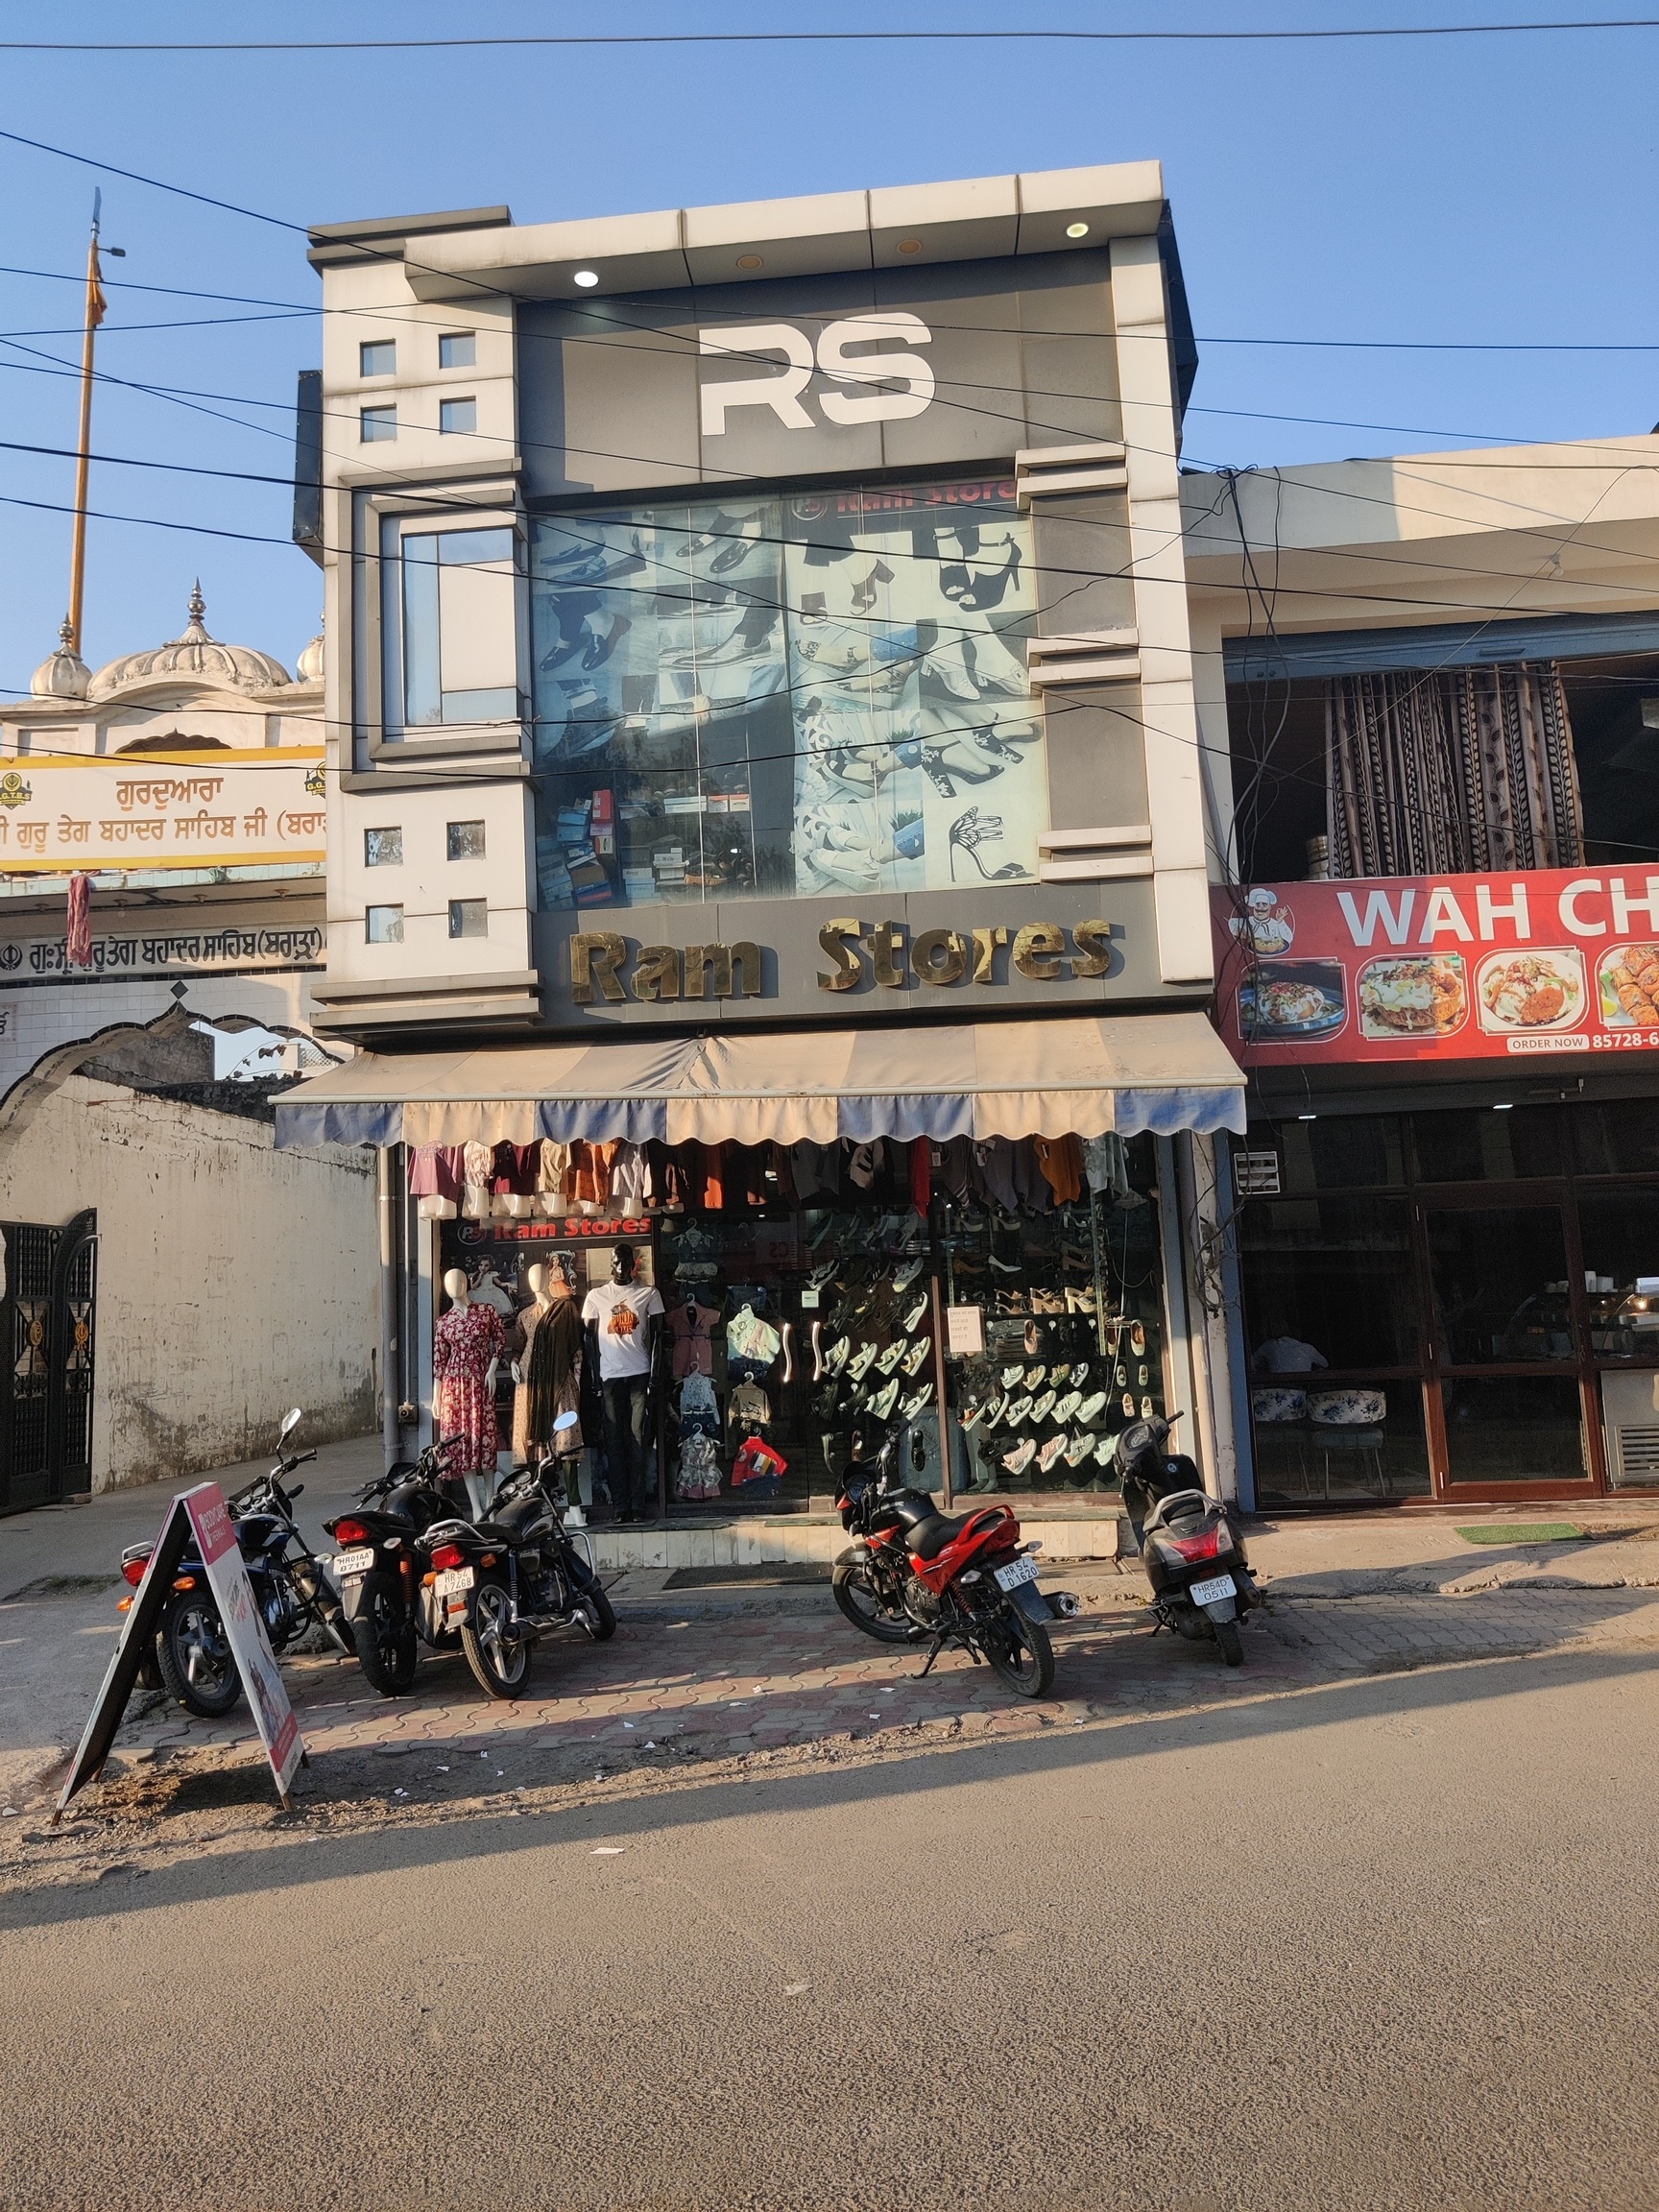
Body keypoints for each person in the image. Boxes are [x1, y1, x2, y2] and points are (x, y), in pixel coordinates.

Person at [1252, 1328, 1329, 1377]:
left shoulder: (1271, 1345)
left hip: (1277, 1390)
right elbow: (1325, 1364)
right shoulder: (1308, 1348)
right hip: (1302, 1391)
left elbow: (1251, 1363)